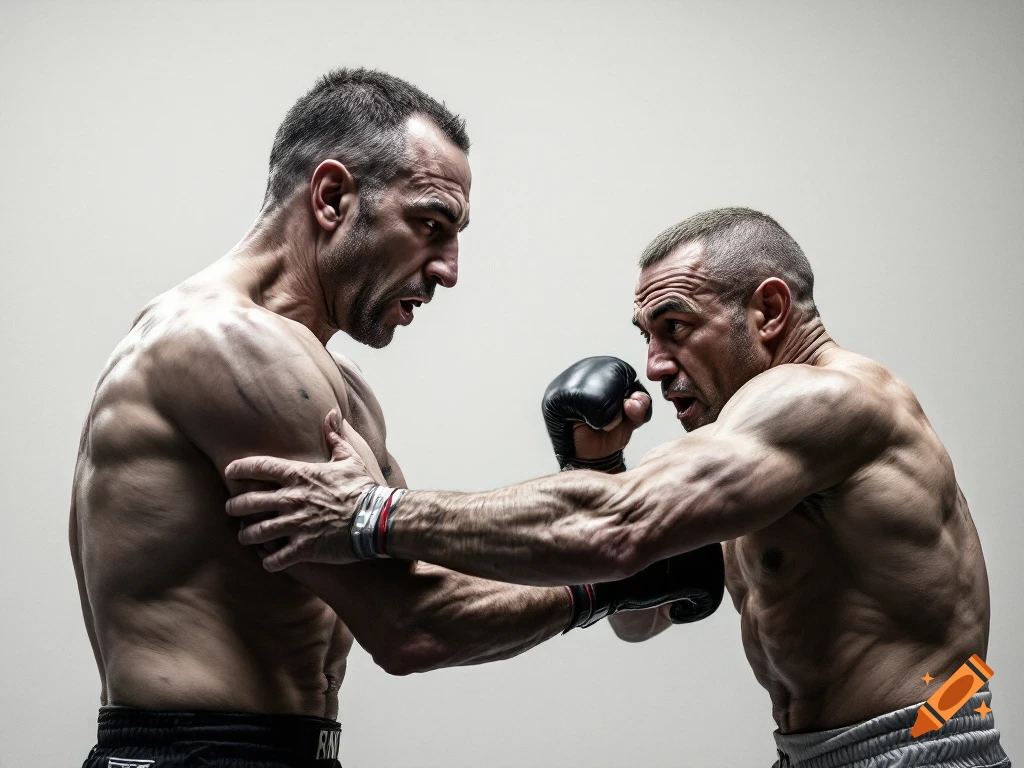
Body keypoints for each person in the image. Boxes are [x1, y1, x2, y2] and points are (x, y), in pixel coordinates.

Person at [69, 68, 723, 768]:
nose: (449, 270)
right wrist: (615, 578)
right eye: (431, 225)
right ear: (332, 197)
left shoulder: (330, 377)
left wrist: (596, 478)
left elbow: (424, 561)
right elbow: (411, 624)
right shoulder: (224, 347)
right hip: (196, 756)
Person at [226, 208, 1010, 768]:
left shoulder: (824, 401)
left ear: (768, 310)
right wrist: (596, 472)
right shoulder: (752, 457)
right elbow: (642, 613)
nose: (657, 364)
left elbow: (620, 531)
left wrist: (370, 513)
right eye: (646, 338)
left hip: (912, 751)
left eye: (675, 327)